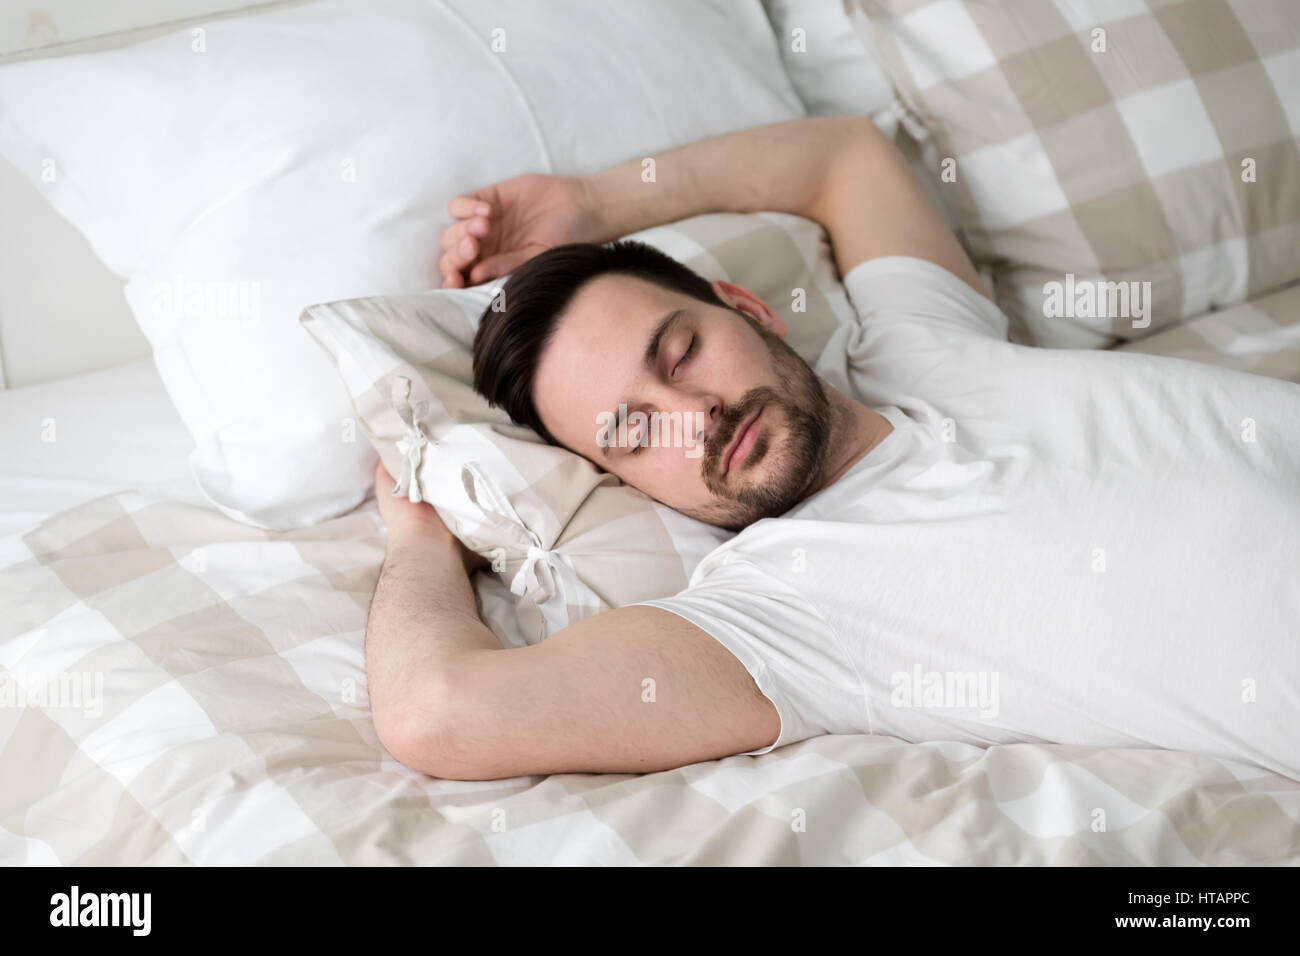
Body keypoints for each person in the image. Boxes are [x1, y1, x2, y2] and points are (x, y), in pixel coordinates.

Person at [367, 116, 1300, 782]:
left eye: (681, 353)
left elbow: (843, 156)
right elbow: (438, 711)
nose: (697, 416)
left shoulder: (918, 346)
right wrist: (417, 539)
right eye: (636, 431)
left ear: (749, 309)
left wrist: (590, 200)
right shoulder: (775, 618)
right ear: (627, 482)